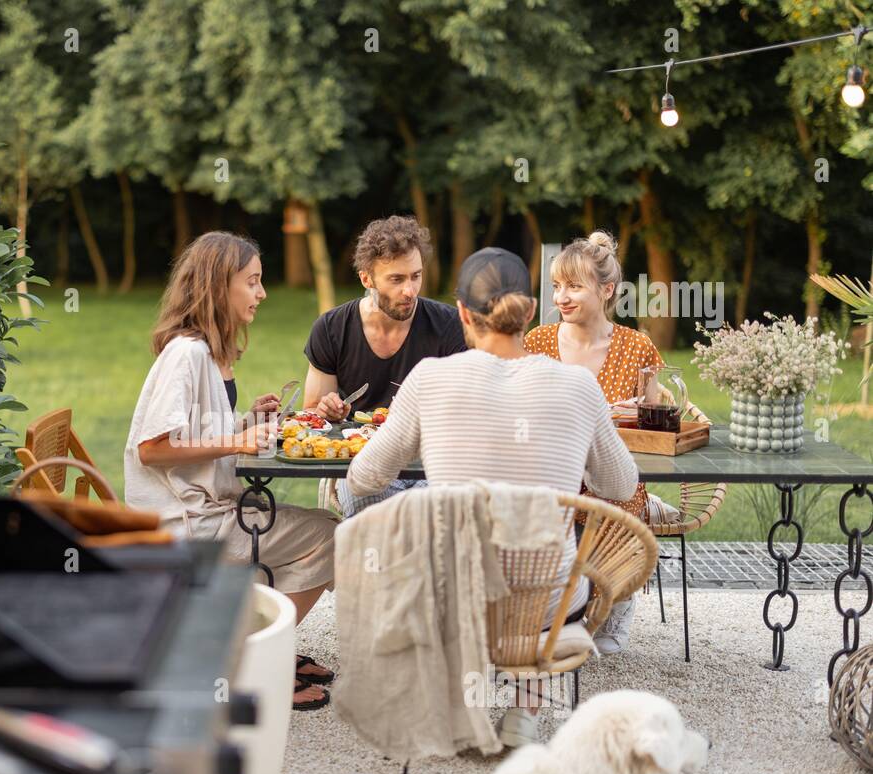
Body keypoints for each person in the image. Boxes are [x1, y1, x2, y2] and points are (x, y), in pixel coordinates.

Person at [345, 247, 639, 747]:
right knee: (542, 571)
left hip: (451, 598)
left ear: (461, 312)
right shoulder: (578, 387)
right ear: (530, 311)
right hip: (548, 605)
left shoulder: (430, 379)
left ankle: (460, 700)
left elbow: (364, 477)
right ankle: (525, 711)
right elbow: (622, 487)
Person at [124, 231, 339, 710]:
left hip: (205, 511)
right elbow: (152, 448)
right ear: (220, 286)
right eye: (253, 282)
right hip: (185, 526)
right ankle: (255, 658)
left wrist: (245, 421)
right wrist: (237, 440)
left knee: (319, 530)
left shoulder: (203, 351)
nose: (262, 293)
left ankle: (264, 640)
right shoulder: (188, 353)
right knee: (331, 537)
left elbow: (190, 431)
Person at [524, 230, 679, 654]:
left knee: (621, 496)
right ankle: (561, 605)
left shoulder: (637, 347)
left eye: (574, 286)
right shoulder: (536, 342)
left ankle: (618, 594)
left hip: (612, 482)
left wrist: (622, 418)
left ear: (607, 289)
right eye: (557, 287)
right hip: (553, 478)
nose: (562, 297)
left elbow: (650, 433)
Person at [301, 215, 466, 517]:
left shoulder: (447, 325)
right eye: (396, 279)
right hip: (361, 464)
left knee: (438, 512)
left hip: (427, 465)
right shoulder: (332, 328)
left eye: (416, 276)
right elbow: (311, 414)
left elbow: (462, 415)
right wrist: (327, 410)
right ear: (367, 279)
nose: (410, 290)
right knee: (376, 519)